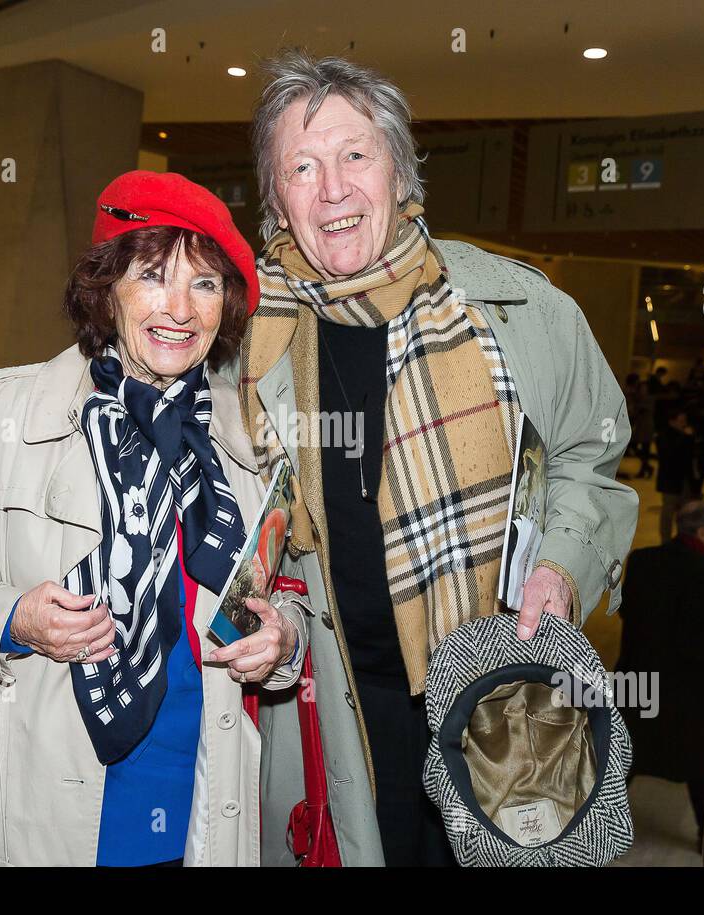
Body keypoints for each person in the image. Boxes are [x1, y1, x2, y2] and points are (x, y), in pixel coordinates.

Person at [233, 50, 638, 866]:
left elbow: (590, 459)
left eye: (356, 155)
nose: (334, 188)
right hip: (336, 704)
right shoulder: (246, 342)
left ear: (400, 171)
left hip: (502, 689)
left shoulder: (521, 308)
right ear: (277, 202)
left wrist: (561, 564)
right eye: (301, 168)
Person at [0, 171, 311, 866]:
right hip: (32, 794)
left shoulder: (251, 442)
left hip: (198, 798)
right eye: (153, 276)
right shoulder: (12, 409)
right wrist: (12, 616)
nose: (179, 308)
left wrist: (280, 642)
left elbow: (288, 595)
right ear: (107, 289)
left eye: (204, 284)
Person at [616, 501, 704, 858]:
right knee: (702, 765)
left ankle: (591, 829)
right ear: (701, 532)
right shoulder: (700, 573)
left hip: (638, 680)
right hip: (682, 692)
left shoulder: (642, 559)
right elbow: (693, 642)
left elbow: (626, 611)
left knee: (623, 756)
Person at [655, 405, 695, 543]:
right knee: (668, 513)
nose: (684, 423)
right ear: (672, 422)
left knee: (684, 513)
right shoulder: (664, 436)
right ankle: (665, 541)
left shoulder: (685, 435)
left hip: (684, 481)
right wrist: (686, 438)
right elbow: (670, 456)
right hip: (670, 481)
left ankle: (682, 540)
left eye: (685, 420)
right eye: (681, 420)